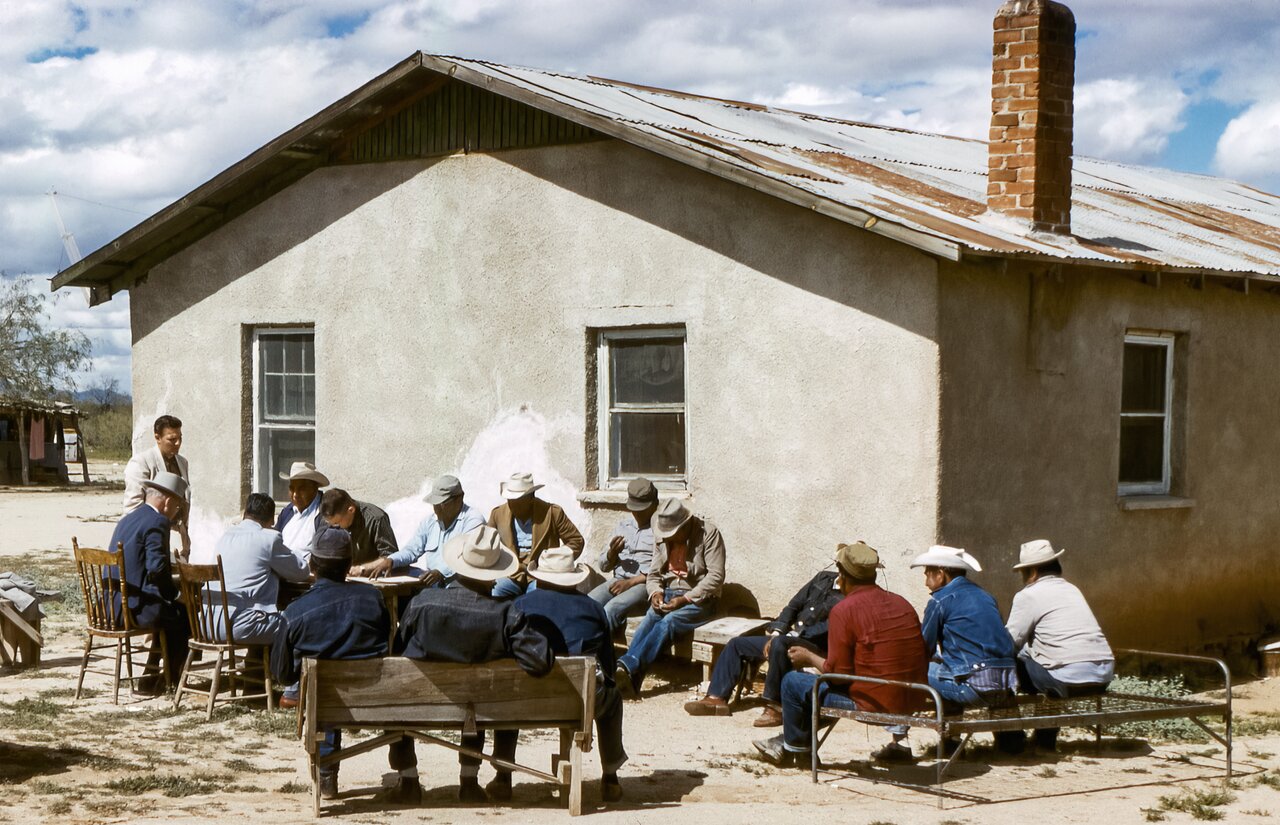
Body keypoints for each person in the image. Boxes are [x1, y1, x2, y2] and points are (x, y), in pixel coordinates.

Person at [395, 525, 553, 803]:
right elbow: (540, 662)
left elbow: (395, 656)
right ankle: (469, 781)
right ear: (493, 576)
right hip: (480, 708)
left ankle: (408, 780)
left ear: (458, 565)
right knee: (486, 696)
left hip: (417, 706)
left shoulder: (421, 604)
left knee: (396, 687)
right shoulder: (506, 615)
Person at [753, 542, 927, 766]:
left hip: (875, 702)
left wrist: (808, 657)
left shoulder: (844, 610)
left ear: (842, 575)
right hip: (913, 696)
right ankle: (787, 743)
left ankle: (795, 750)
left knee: (792, 682)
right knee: (813, 685)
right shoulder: (902, 603)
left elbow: (836, 676)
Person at [269, 527, 406, 802]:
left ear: (313, 565)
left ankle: (327, 777)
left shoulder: (296, 612)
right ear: (348, 565)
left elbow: (281, 673)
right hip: (376, 699)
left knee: (323, 693)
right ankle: (407, 771)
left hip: (326, 704)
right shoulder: (374, 599)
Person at [517, 546, 628, 803]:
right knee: (611, 697)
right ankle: (610, 776)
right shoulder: (593, 608)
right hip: (580, 701)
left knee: (510, 677)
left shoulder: (519, 605)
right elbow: (609, 667)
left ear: (540, 577)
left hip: (526, 700)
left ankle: (502, 776)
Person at [686, 558, 845, 727]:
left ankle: (775, 708)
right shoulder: (823, 578)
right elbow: (793, 606)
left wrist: (786, 638)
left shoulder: (849, 596)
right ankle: (716, 698)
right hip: (787, 638)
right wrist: (778, 632)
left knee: (779, 645)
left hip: (814, 646)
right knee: (737, 644)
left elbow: (827, 628)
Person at [1005, 539, 1115, 752]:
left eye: (1023, 572)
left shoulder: (1028, 595)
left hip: (1066, 680)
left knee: (1009, 660)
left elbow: (1010, 641)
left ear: (1033, 572)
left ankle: (1011, 739)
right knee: (1042, 660)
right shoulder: (1072, 589)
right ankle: (1044, 738)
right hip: (1102, 676)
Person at [913, 544, 1020, 754]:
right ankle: (1011, 740)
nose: (926, 581)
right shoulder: (985, 596)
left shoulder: (940, 600)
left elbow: (922, 650)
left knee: (921, 670)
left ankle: (950, 742)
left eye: (927, 574)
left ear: (941, 574)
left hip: (973, 688)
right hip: (1007, 685)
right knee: (953, 671)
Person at [615, 498, 724, 699]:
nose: (670, 538)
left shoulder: (709, 534)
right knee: (651, 616)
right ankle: (628, 677)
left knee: (670, 622)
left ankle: (626, 667)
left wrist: (685, 599)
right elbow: (654, 574)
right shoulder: (663, 538)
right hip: (670, 594)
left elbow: (716, 577)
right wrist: (656, 592)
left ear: (685, 525)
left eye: (674, 534)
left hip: (701, 599)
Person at [109, 470, 191, 695]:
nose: (176, 512)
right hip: (135, 607)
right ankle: (171, 680)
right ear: (167, 501)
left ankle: (151, 674)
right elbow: (157, 570)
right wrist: (175, 595)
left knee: (167, 613)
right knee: (183, 615)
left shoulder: (129, 518)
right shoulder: (158, 521)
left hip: (113, 605)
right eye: (177, 506)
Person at [210, 492, 310, 645]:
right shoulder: (268, 539)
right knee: (303, 622)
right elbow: (301, 571)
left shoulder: (225, 537)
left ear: (245, 514)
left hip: (208, 623)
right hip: (241, 626)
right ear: (271, 520)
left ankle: (255, 664)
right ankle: (279, 668)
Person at [352, 475, 485, 584]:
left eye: (442, 504)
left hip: (460, 583)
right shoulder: (430, 521)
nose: (436, 508)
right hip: (432, 582)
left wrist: (440, 572)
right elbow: (412, 549)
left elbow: (467, 557)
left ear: (459, 499)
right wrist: (391, 560)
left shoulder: (473, 520)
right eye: (435, 504)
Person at [487, 472, 585, 598]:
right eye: (510, 500)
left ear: (531, 498)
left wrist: (553, 562)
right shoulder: (498, 514)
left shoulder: (552, 513)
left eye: (518, 501)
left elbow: (576, 541)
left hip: (542, 574)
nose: (512, 505)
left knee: (537, 601)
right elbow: (487, 544)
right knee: (496, 592)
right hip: (510, 574)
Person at [587, 477, 657, 631]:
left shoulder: (660, 530)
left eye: (642, 510)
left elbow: (662, 569)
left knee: (611, 610)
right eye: (634, 509)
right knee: (588, 604)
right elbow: (603, 566)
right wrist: (612, 553)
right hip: (618, 580)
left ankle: (605, 653)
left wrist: (630, 583)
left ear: (653, 506)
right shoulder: (623, 526)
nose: (637, 514)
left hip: (643, 584)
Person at [123, 414, 191, 560]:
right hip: (152, 538)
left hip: (179, 540)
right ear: (157, 437)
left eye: (180, 438)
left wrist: (185, 536)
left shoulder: (183, 463)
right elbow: (132, 507)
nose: (178, 443)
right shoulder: (141, 462)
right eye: (172, 439)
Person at [319, 488, 398, 566]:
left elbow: (390, 557)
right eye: (330, 524)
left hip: (372, 576)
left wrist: (363, 569)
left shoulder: (376, 519)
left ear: (351, 510)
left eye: (337, 523)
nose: (334, 527)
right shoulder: (328, 519)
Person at [274, 462, 328, 558]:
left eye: (301, 489)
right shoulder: (287, 512)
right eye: (292, 488)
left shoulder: (324, 511)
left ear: (314, 488)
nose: (295, 494)